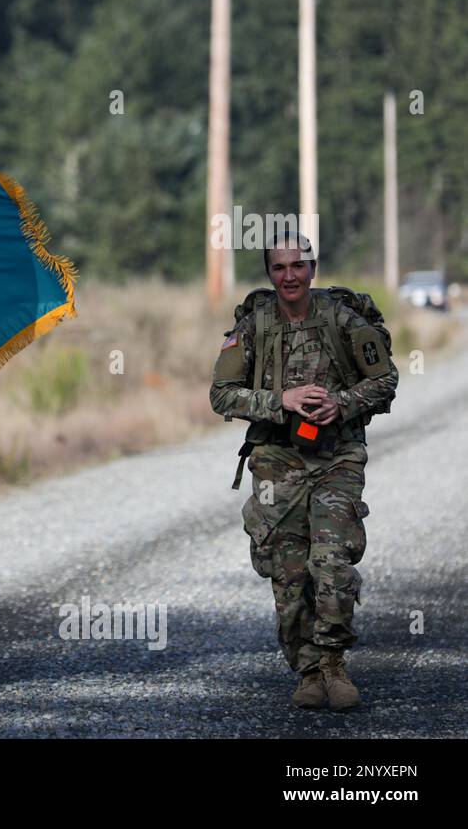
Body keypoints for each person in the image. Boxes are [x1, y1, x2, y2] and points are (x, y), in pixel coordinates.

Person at [211, 231, 397, 711]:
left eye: (298, 266)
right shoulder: (254, 325)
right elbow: (222, 394)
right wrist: (280, 401)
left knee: (331, 560)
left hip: (337, 455)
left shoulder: (342, 318)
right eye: (279, 268)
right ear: (269, 274)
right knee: (289, 571)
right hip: (277, 458)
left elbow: (385, 380)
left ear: (312, 268)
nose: (289, 276)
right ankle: (307, 671)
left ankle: (334, 663)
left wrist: (341, 403)